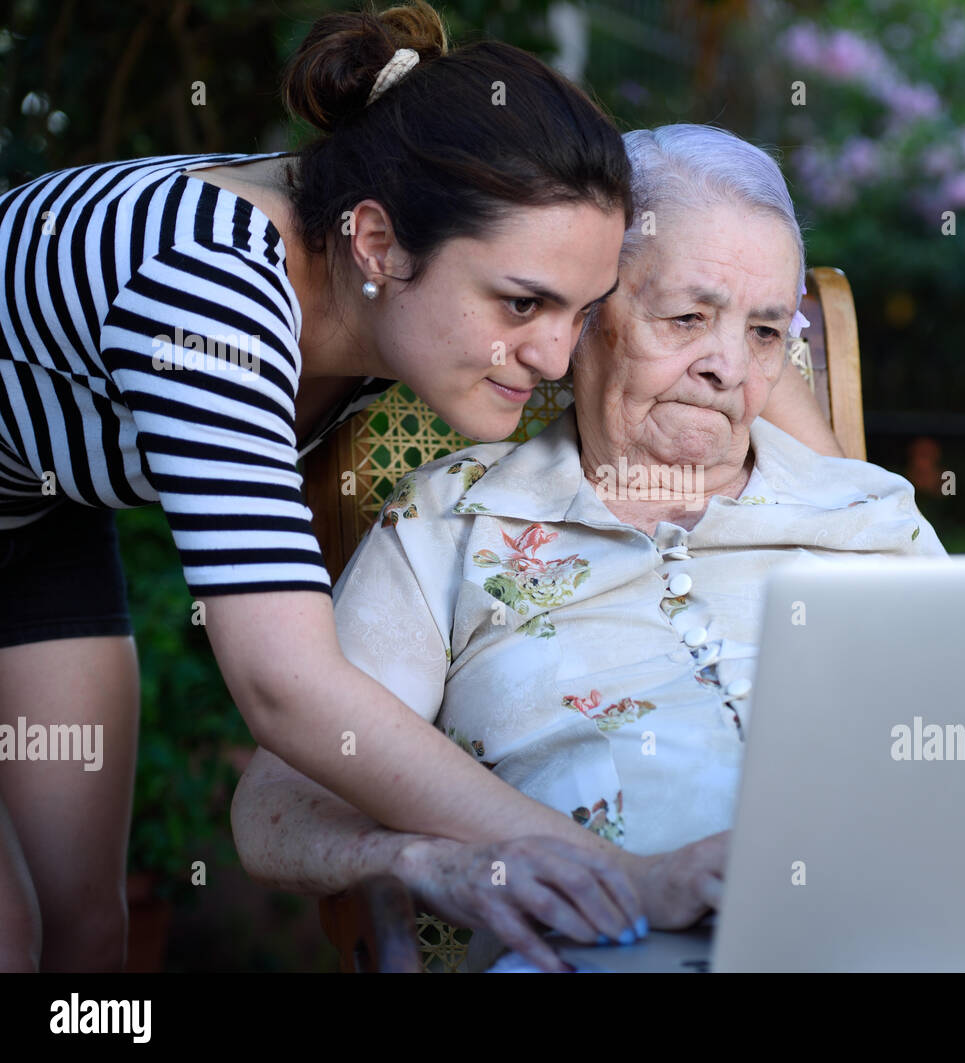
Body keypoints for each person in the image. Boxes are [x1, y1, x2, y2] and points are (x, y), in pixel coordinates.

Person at [0, 3, 842, 973]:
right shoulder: (210, 296)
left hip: (39, 509)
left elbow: (722, 325)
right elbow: (287, 686)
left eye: (583, 310)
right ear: (374, 245)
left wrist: (850, 504)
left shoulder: (403, 228)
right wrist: (617, 874)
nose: (558, 355)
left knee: (88, 934)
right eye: (522, 303)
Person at [231, 124, 947, 973]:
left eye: (764, 333)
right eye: (686, 316)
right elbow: (278, 803)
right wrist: (418, 861)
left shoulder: (868, 514)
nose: (728, 367)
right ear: (586, 314)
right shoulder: (453, 523)